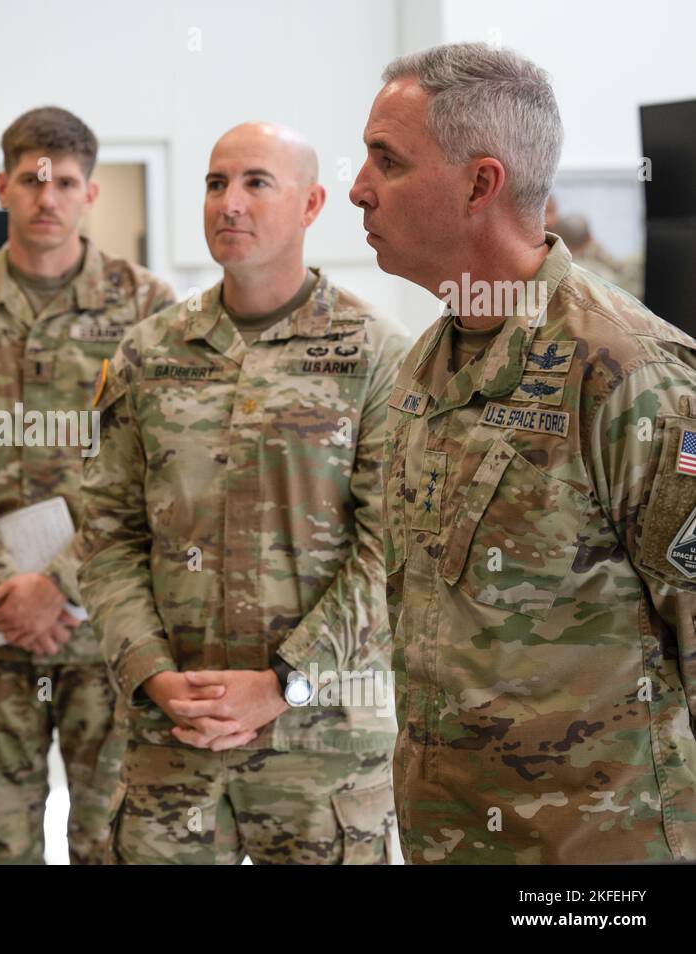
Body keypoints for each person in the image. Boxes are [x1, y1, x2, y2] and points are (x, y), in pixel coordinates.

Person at [351, 41, 696, 863]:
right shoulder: (426, 364)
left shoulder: (629, 374)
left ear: (481, 184)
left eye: (387, 162)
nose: (359, 190)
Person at [80, 122, 408, 864]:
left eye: (257, 182)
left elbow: (393, 552)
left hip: (322, 746)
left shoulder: (374, 352)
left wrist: (283, 683)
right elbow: (107, 533)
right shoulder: (149, 353)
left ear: (312, 204)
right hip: (176, 738)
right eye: (215, 183)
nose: (230, 202)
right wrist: (151, 673)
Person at [0, 106, 175, 864]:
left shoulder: (150, 311)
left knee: (112, 842)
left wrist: (62, 585)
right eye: (31, 180)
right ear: (3, 187)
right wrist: (9, 587)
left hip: (108, 628)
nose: (46, 198)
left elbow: (156, 473)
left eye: (65, 182)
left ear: (89, 193)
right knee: (0, 844)